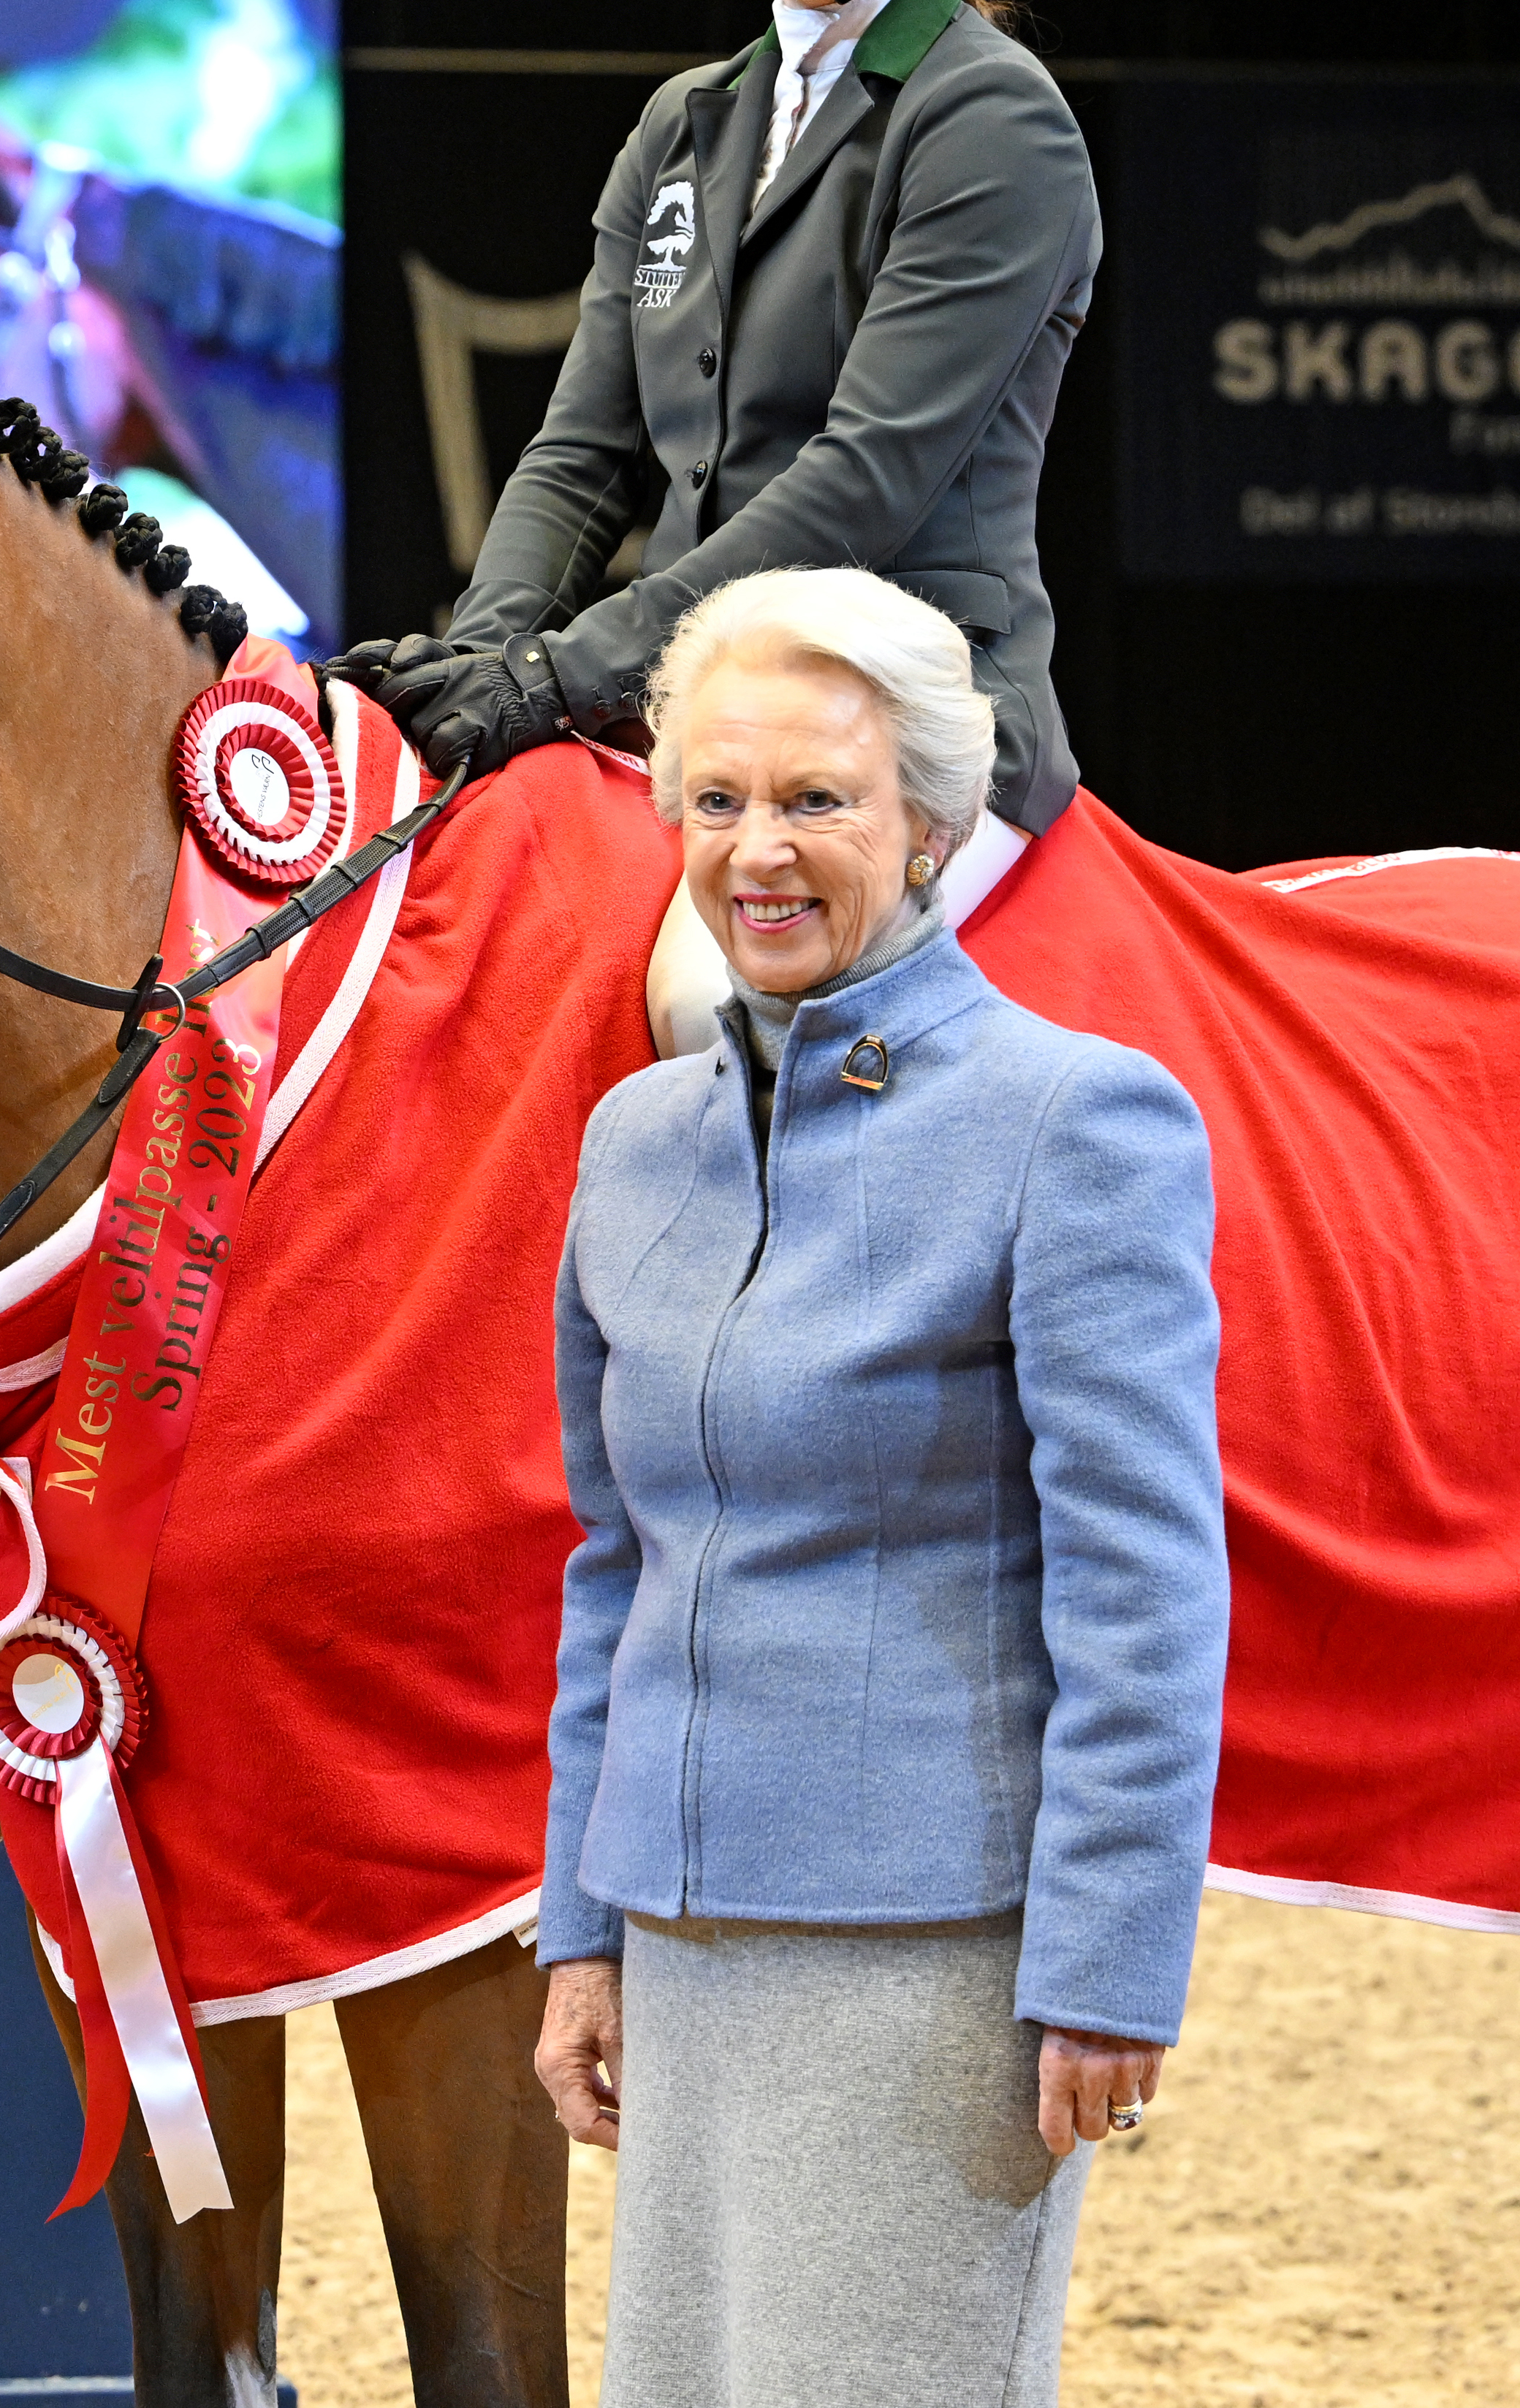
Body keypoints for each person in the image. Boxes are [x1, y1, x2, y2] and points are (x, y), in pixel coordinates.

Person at [534, 569, 1228, 2408]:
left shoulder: (1076, 1123)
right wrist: (580, 1932)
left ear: (930, 826)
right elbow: (614, 1562)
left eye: (815, 802)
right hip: (679, 1945)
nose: (756, 850)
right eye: (715, 800)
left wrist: (1106, 1964)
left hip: (936, 1967)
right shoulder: (629, 1143)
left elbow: (1142, 1593)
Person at [346, 0, 1095, 881]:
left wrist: (558, 676)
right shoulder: (685, 126)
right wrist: (481, 664)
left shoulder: (989, 120)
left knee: (701, 995)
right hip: (711, 721)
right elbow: (584, 456)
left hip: (911, 730)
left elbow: (862, 479)